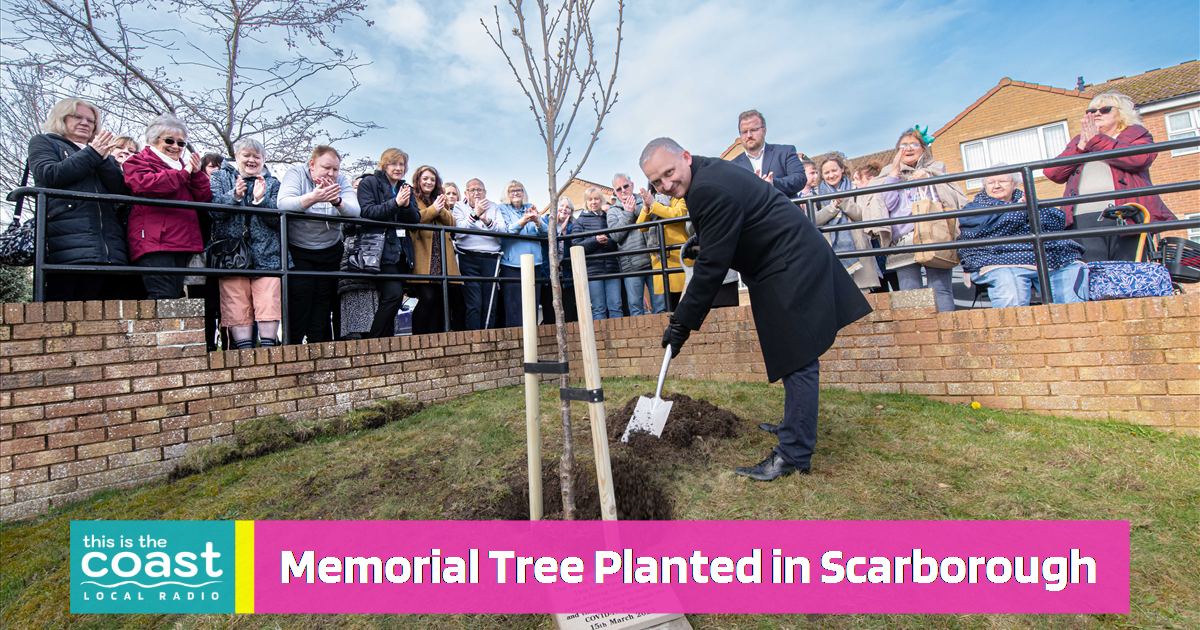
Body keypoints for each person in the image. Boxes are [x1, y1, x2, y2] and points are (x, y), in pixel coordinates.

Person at [641, 137, 871, 481]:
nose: (666, 185)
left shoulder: (707, 187)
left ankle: (793, 454)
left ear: (685, 157)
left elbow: (711, 268)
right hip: (779, 262)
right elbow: (736, 217)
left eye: (669, 173)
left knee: (798, 356)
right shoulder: (706, 174)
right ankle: (792, 427)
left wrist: (682, 323)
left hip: (789, 263)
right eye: (657, 181)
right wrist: (704, 236)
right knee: (792, 352)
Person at [1043, 92, 1175, 262]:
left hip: (1125, 216)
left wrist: (1095, 141)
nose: (1097, 114)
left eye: (1105, 109)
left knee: (1127, 272)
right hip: (1082, 218)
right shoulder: (1080, 140)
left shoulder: (1137, 134)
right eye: (1091, 111)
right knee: (1091, 273)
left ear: (1121, 114)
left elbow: (1139, 159)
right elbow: (1052, 173)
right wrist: (1082, 145)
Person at [26, 97, 132, 302]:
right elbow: (49, 174)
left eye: (90, 120)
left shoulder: (104, 156)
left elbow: (121, 189)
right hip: (66, 246)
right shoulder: (45, 142)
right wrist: (92, 154)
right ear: (61, 118)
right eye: (77, 117)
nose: (85, 123)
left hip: (111, 249)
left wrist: (100, 157)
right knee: (62, 310)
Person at [862, 128, 967, 313]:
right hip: (904, 239)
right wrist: (894, 172)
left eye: (913, 144)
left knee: (940, 289)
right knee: (910, 292)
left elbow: (947, 199)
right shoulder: (888, 175)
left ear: (923, 150)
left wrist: (927, 179)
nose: (908, 148)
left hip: (934, 236)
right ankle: (919, 336)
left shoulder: (935, 169)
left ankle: (946, 332)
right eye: (903, 145)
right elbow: (886, 203)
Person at [957, 171, 1088, 307]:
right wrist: (1020, 211)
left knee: (1071, 271)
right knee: (1009, 284)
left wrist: (1030, 207)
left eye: (1002, 181)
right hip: (998, 260)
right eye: (991, 183)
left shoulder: (1029, 200)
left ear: (1014, 185)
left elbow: (1057, 223)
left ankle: (1071, 323)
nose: (996, 186)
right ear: (985, 186)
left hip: (1042, 258)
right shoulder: (974, 208)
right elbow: (983, 231)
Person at [123, 114, 210, 300]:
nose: (175, 147)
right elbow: (148, 185)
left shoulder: (184, 168)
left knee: (176, 298)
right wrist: (183, 174)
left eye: (181, 143)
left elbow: (203, 198)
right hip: (155, 242)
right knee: (161, 297)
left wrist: (195, 175)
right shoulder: (137, 161)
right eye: (169, 140)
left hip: (182, 241)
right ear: (153, 140)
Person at [278, 145, 360, 344]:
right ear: (312, 164)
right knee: (300, 298)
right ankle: (293, 346)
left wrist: (337, 201)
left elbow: (355, 211)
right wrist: (314, 197)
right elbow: (283, 203)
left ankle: (317, 347)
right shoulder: (296, 174)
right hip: (298, 248)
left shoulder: (340, 181)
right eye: (326, 168)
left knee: (323, 301)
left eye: (335, 169)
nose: (331, 174)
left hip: (329, 249)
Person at [207, 138, 283, 348]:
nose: (251, 160)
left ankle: (269, 350)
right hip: (230, 253)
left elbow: (278, 221)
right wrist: (234, 196)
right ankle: (244, 354)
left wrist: (260, 202)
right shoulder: (220, 177)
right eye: (246, 155)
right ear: (237, 156)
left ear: (264, 159)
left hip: (267, 253)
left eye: (256, 157)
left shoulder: (274, 183)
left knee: (269, 301)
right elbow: (214, 212)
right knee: (236, 303)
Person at [355, 148, 422, 338]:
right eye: (394, 163)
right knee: (393, 294)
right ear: (384, 164)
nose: (398, 168)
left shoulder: (405, 187)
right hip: (379, 252)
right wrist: (395, 203)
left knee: (395, 297)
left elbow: (415, 219)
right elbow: (367, 212)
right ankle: (373, 340)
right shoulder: (370, 182)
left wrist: (406, 205)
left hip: (402, 252)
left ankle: (386, 340)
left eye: (402, 164)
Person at [409, 165, 464, 334]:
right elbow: (414, 219)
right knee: (427, 297)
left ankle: (435, 339)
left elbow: (451, 223)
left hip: (441, 255)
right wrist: (434, 209)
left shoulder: (440, 198)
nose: (429, 182)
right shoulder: (412, 196)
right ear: (418, 180)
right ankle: (416, 337)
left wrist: (439, 208)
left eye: (432, 179)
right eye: (425, 178)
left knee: (439, 300)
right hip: (422, 254)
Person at [813, 153, 879, 292]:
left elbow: (862, 215)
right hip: (831, 249)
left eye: (834, 170)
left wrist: (844, 203)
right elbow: (814, 220)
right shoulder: (815, 195)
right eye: (827, 172)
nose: (831, 175)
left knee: (863, 294)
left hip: (857, 247)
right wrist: (832, 207)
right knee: (838, 294)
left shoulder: (856, 190)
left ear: (842, 169)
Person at [451, 179, 506, 330]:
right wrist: (475, 215)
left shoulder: (494, 207)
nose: (476, 193)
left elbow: (502, 231)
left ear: (485, 192)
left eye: (480, 190)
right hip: (468, 258)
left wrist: (487, 221)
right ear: (466, 193)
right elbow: (459, 233)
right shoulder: (459, 206)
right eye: (472, 190)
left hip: (491, 258)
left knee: (490, 304)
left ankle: (489, 338)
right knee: (474, 304)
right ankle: (474, 340)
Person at [607, 172, 665, 315]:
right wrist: (628, 213)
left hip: (654, 260)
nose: (623, 190)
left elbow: (654, 216)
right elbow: (615, 236)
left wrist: (637, 207)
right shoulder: (612, 211)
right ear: (615, 192)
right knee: (636, 309)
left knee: (661, 307)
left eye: (625, 186)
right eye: (619, 189)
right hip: (631, 265)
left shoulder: (647, 201)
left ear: (632, 185)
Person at [496, 180, 546, 328]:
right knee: (514, 307)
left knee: (533, 304)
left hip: (533, 263)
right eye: (512, 191)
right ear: (507, 194)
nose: (516, 193)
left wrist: (537, 221)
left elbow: (544, 232)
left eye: (519, 190)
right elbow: (506, 231)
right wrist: (523, 221)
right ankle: (516, 341)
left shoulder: (531, 207)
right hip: (512, 265)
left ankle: (532, 340)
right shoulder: (502, 208)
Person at [728, 109, 806, 198]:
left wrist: (773, 184)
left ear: (764, 131)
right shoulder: (733, 165)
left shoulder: (785, 152)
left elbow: (800, 178)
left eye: (754, 130)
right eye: (744, 132)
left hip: (783, 210)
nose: (749, 135)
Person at [636, 186, 690, 310]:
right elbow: (641, 227)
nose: (659, 185)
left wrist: (653, 204)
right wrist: (646, 206)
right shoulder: (652, 201)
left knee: (683, 303)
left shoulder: (678, 197)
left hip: (677, 257)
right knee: (669, 304)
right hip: (660, 259)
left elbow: (677, 215)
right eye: (655, 182)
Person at [572, 187, 622, 319]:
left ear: (601, 200)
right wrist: (595, 241)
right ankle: (601, 340)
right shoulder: (580, 221)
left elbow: (618, 241)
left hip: (612, 269)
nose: (593, 202)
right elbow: (576, 245)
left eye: (596, 198)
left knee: (616, 306)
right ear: (586, 202)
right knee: (598, 308)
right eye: (590, 199)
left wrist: (608, 242)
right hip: (592, 271)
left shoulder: (609, 218)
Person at [540, 196, 578, 324]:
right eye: (561, 206)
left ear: (571, 212)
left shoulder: (574, 226)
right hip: (548, 275)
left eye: (568, 207)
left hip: (567, 275)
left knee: (568, 312)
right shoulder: (544, 223)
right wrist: (555, 232)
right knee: (549, 313)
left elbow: (576, 246)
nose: (564, 209)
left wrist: (564, 234)